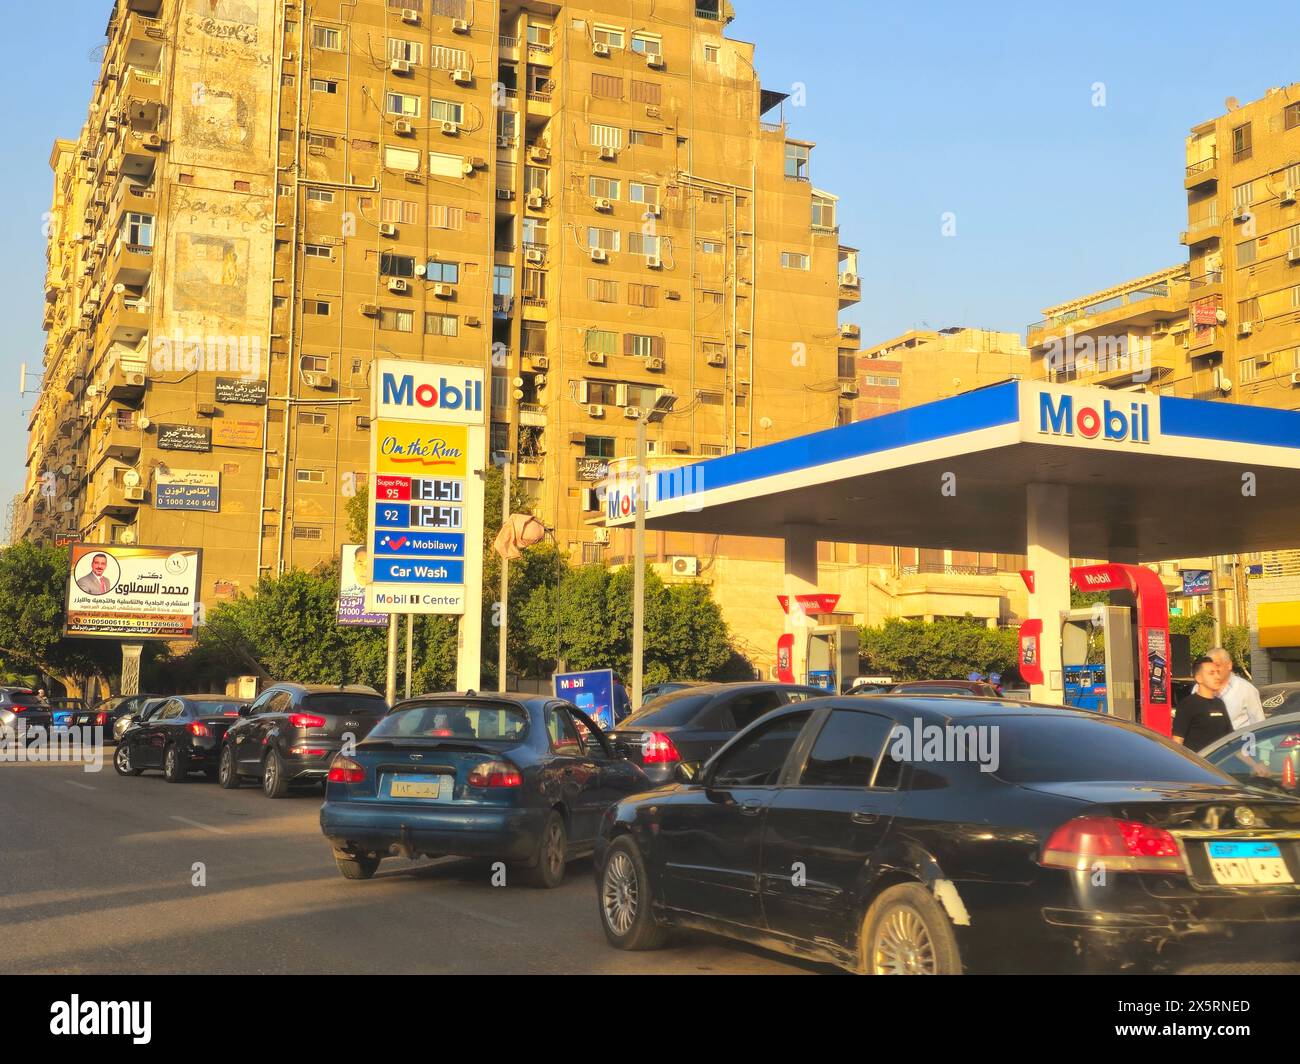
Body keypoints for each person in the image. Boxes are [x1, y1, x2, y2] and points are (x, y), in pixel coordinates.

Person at [1172, 656, 1234, 751]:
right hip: (1196, 763)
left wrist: (1253, 764)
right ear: (1199, 678)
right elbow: (1177, 741)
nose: (1217, 677)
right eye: (1211, 673)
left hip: (1218, 763)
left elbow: (1230, 739)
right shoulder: (1188, 705)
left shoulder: (1219, 703)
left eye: (1218, 672)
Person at [1208, 647, 1265, 732]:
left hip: (1238, 743)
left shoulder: (1245, 689)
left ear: (1229, 665)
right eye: (1209, 666)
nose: (1214, 670)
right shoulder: (1199, 688)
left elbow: (1259, 724)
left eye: (1217, 665)